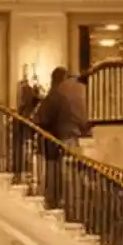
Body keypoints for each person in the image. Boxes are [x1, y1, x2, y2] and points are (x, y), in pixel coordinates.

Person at [32, 67, 90, 208]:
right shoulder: (71, 94)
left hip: (58, 141)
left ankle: (57, 203)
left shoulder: (56, 95)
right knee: (70, 176)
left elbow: (41, 118)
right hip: (71, 138)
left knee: (60, 176)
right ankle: (71, 206)